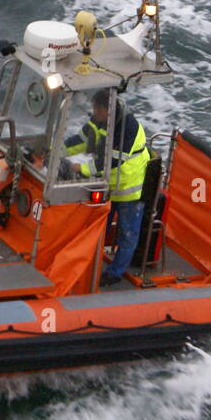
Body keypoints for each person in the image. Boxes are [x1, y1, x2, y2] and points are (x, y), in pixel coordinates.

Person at [65, 90, 150, 286]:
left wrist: (81, 168)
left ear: (106, 109)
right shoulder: (102, 119)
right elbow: (82, 139)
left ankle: (114, 273)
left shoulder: (127, 129)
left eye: (96, 109)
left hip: (130, 188)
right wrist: (56, 151)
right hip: (109, 185)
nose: (93, 113)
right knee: (99, 226)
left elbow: (109, 162)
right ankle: (89, 265)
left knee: (127, 234)